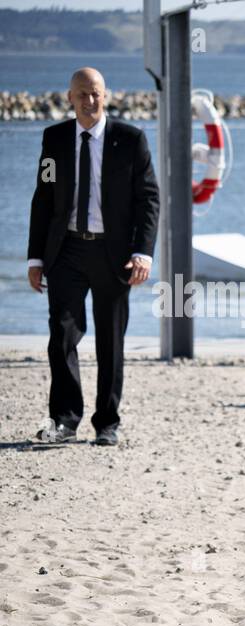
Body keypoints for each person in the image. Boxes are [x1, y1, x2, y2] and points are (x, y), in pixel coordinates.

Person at [27, 67, 158, 447]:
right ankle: (65, 420)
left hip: (113, 254)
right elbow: (44, 198)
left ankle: (107, 423)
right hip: (65, 250)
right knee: (62, 336)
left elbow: (148, 199)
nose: (89, 101)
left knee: (110, 342)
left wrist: (142, 253)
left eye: (95, 93)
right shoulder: (54, 139)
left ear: (106, 95)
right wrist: (35, 258)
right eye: (81, 94)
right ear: (69, 98)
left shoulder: (130, 140)